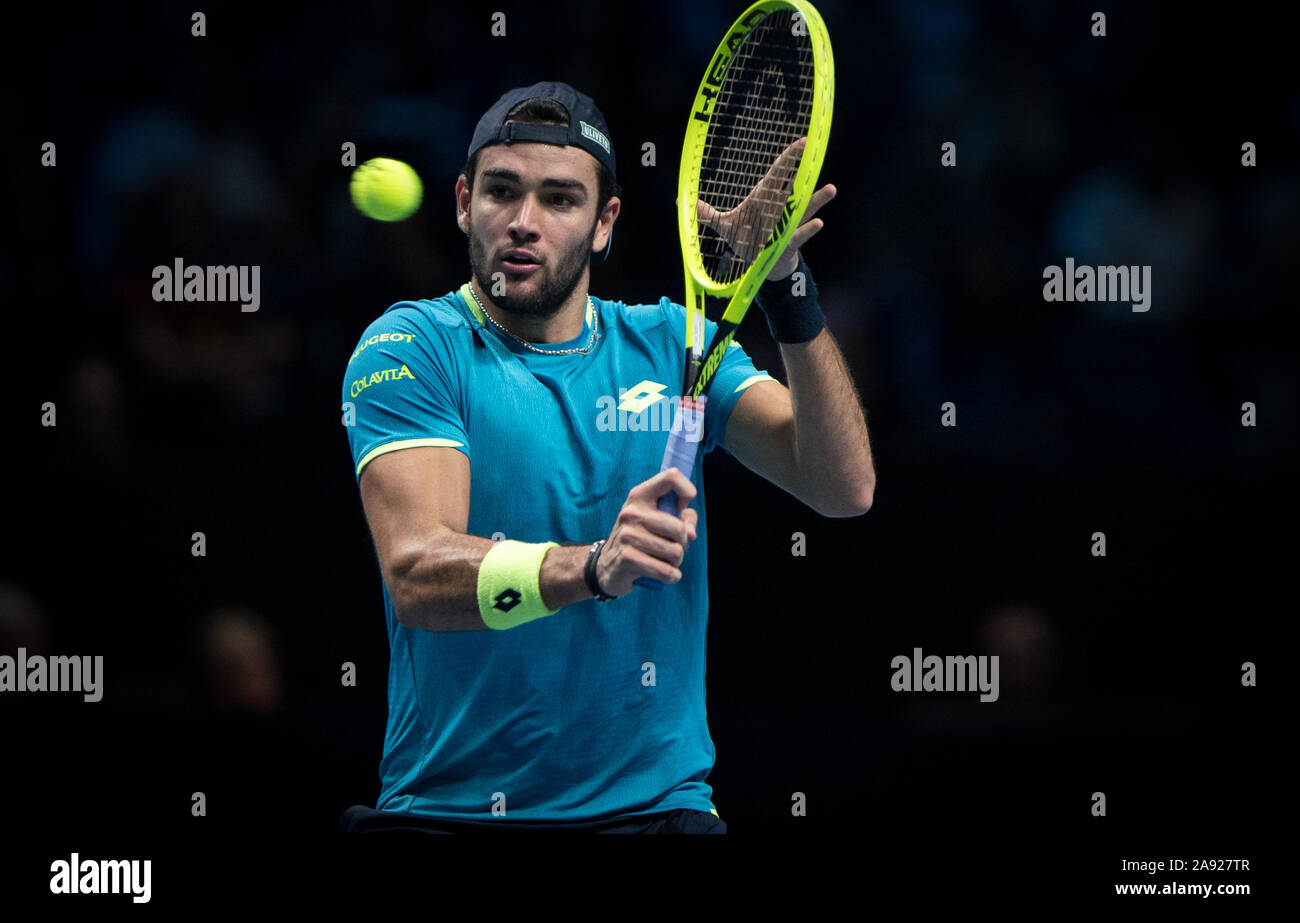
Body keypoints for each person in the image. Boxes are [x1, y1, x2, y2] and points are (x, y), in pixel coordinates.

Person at [340, 81, 874, 834]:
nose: (524, 222)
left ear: (604, 223)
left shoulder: (674, 344)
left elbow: (841, 484)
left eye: (560, 199)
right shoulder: (411, 348)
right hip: (450, 812)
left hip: (656, 812)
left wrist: (785, 287)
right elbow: (418, 573)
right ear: (464, 202)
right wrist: (592, 566)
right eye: (502, 191)